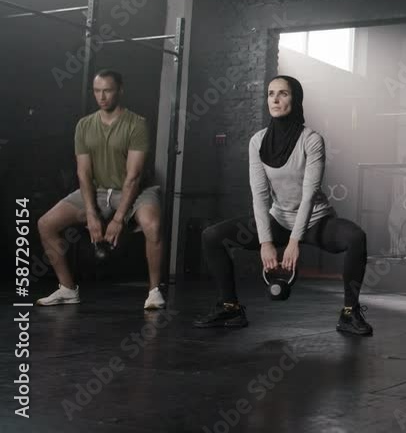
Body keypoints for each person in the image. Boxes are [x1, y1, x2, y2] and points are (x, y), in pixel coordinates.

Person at [193, 75, 373, 336]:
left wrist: (293, 242)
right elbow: (260, 195)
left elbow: (309, 195)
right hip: (278, 220)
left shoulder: (311, 140)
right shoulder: (258, 141)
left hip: (315, 221)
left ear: (296, 99)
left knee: (356, 237)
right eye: (270, 94)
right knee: (212, 236)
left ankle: (349, 312)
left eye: (283, 94)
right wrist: (266, 242)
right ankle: (229, 308)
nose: (275, 99)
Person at [36, 69, 165, 310]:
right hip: (98, 190)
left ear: (120, 91)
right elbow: (83, 173)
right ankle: (67, 289)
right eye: (97, 91)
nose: (102, 96)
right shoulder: (84, 125)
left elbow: (133, 177)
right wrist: (92, 213)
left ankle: (154, 291)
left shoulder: (137, 124)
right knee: (46, 224)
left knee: (152, 225)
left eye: (107, 90)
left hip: (135, 190)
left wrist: (117, 219)